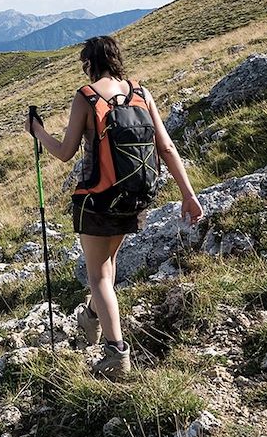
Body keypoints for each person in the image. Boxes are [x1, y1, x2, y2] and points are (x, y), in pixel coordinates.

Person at [27, 36, 203, 378]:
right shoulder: (141, 93)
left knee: (99, 276)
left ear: (89, 63)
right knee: (107, 267)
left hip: (97, 200)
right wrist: (188, 194)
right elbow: (166, 148)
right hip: (134, 199)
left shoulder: (87, 97)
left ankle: (116, 354)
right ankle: (92, 316)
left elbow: (64, 152)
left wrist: (37, 131)